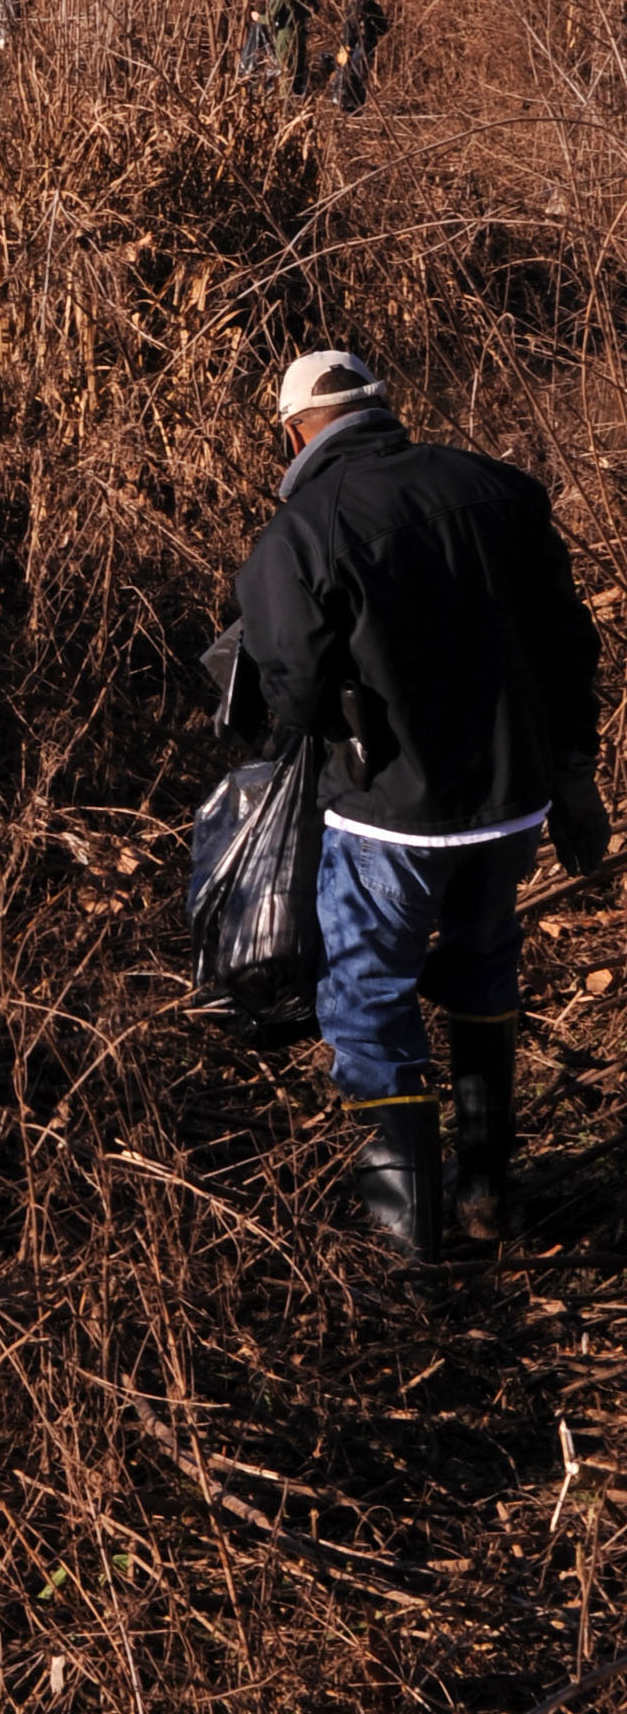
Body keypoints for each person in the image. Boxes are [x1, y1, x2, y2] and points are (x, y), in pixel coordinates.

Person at [229, 349, 606, 1259]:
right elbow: (569, 644)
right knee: (482, 965)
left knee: (366, 999)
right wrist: (572, 772)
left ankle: (411, 1252)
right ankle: (486, 1195)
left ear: (292, 432)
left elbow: (293, 690)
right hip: (512, 810)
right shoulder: (498, 489)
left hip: (388, 821)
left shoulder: (302, 532)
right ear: (383, 408)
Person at [329, 0, 390, 113]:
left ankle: (347, 104)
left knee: (346, 72)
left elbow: (348, 32)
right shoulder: (373, 7)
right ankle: (355, 106)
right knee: (358, 76)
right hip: (366, 46)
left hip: (350, 46)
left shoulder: (350, 8)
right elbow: (383, 30)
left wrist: (346, 46)